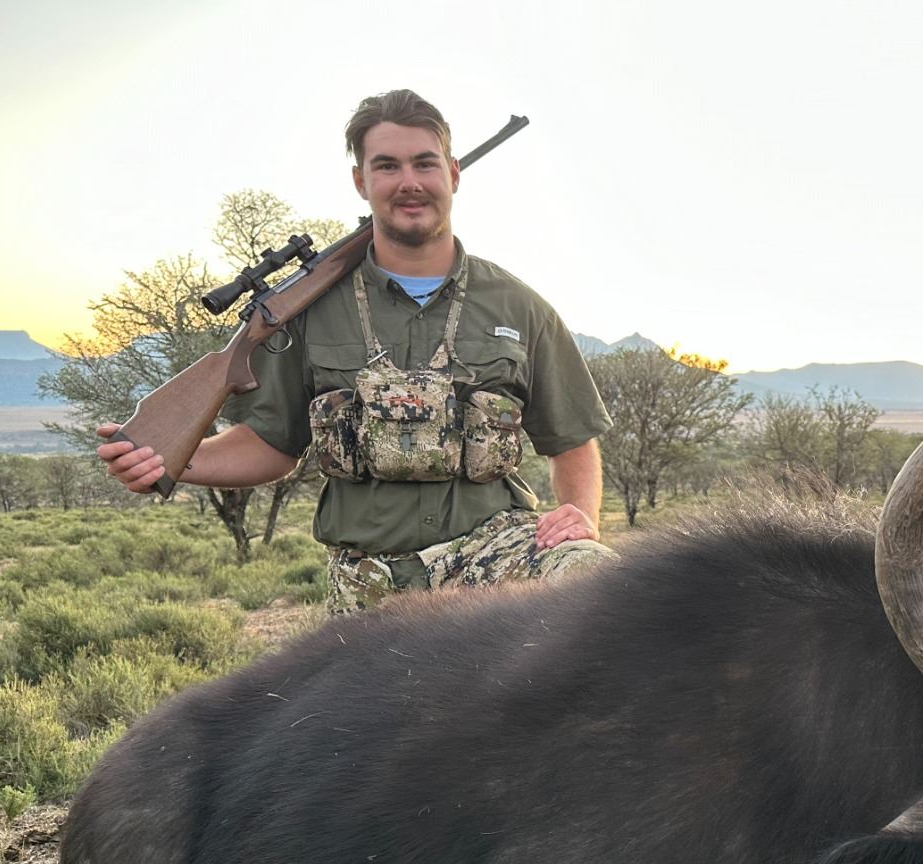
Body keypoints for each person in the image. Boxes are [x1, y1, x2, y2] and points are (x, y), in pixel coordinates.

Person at [97, 89, 613, 614]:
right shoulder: (305, 311)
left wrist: (579, 516)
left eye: (425, 164)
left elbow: (571, 440)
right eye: (387, 166)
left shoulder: (521, 307)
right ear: (361, 182)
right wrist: (170, 461)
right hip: (370, 575)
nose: (409, 183)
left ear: (453, 174)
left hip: (492, 557)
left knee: (595, 577)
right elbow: (272, 445)